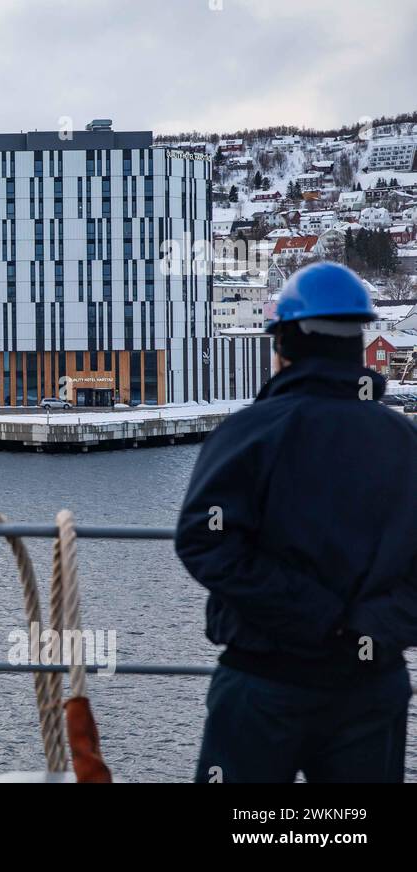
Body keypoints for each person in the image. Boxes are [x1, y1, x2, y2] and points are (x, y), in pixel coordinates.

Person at [176, 261, 417, 783]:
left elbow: (205, 541)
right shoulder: (404, 443)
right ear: (358, 343)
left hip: (264, 682)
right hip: (370, 684)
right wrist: (366, 628)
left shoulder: (249, 434)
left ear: (282, 344)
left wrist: (313, 615)